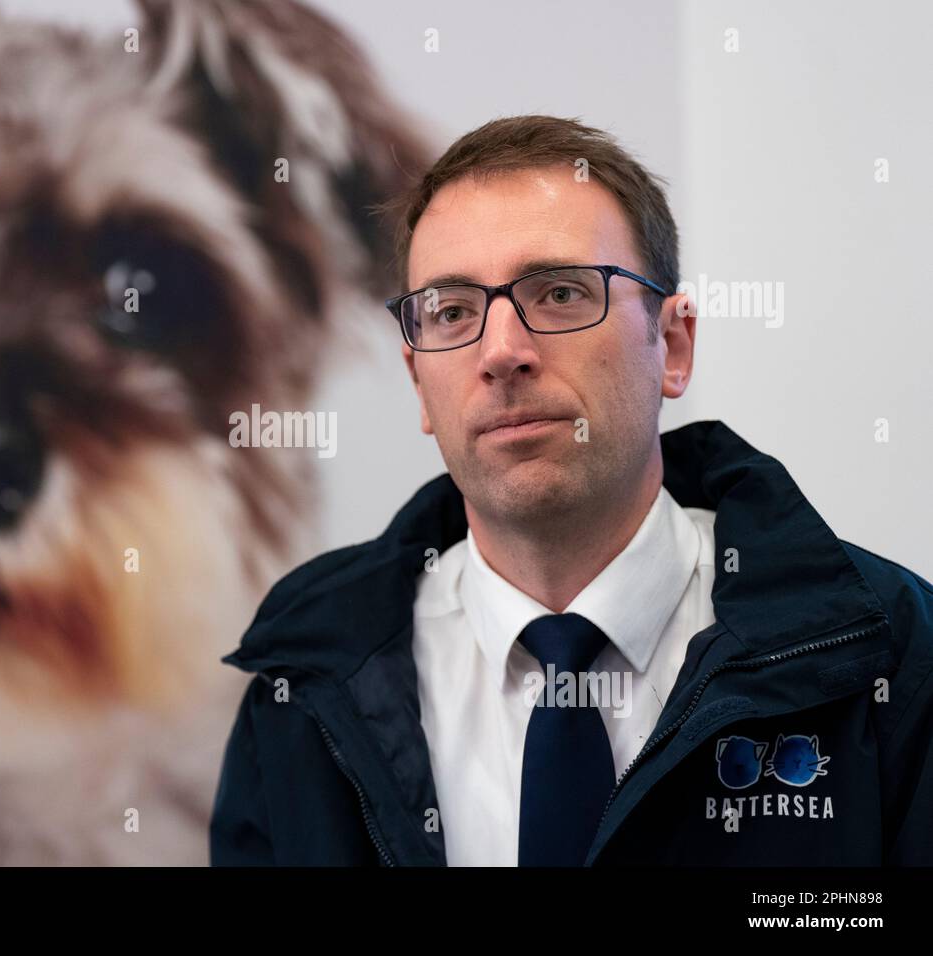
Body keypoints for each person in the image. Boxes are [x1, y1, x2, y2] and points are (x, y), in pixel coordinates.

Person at [208, 115, 933, 866]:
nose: (501, 353)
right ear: (418, 381)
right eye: (453, 312)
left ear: (673, 346)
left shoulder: (890, 654)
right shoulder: (303, 683)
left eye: (558, 293)